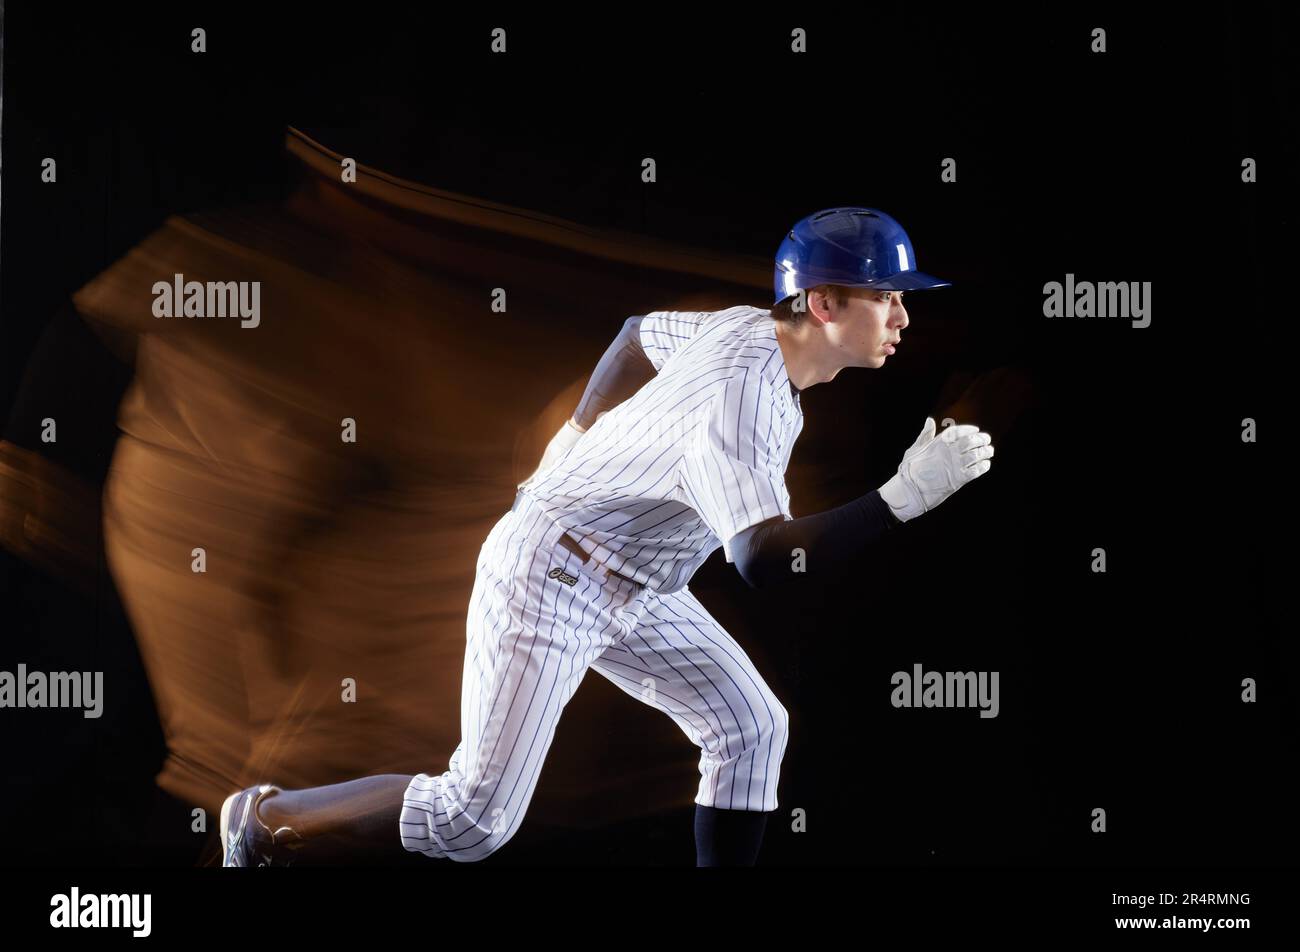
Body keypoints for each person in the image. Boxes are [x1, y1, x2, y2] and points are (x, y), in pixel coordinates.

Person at [220, 206, 995, 867]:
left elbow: (634, 335)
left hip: (634, 584)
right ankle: (261, 819)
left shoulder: (744, 330)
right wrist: (903, 496)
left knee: (751, 726)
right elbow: (762, 558)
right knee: (472, 821)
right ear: (823, 303)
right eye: (886, 296)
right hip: (551, 574)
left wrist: (576, 430)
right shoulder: (747, 396)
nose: (901, 315)